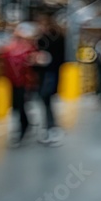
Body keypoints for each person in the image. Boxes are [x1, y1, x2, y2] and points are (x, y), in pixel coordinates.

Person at [1, 23, 37, 146]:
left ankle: (23, 126)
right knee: (16, 106)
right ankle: (25, 124)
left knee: (20, 105)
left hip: (23, 82)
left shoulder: (27, 48)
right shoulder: (11, 48)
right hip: (14, 82)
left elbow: (31, 64)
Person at [35, 14, 65, 145]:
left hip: (48, 73)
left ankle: (51, 128)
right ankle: (50, 127)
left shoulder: (47, 39)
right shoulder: (59, 37)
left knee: (45, 99)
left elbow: (45, 57)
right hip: (52, 73)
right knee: (46, 100)